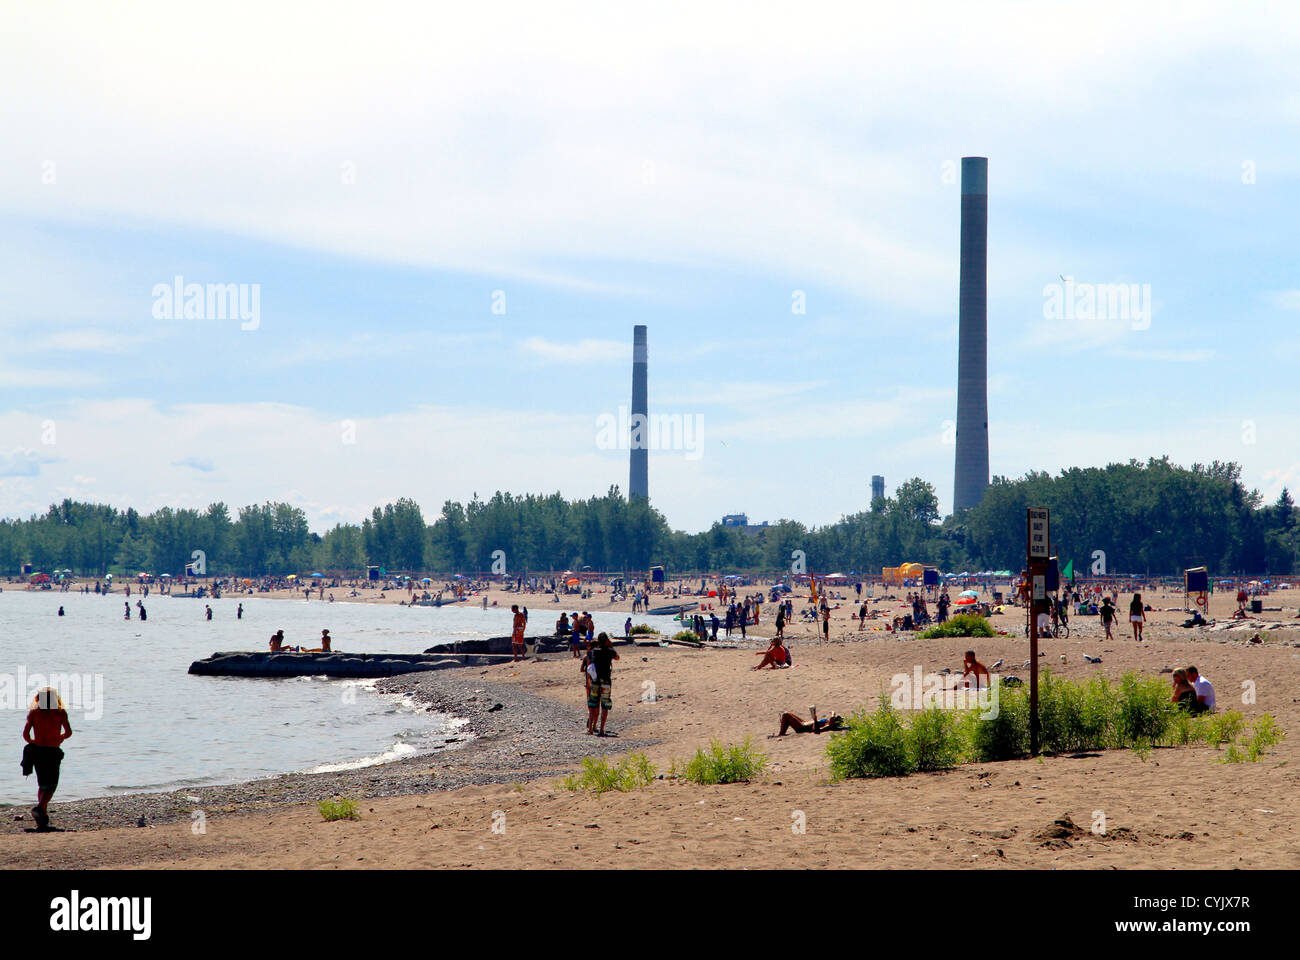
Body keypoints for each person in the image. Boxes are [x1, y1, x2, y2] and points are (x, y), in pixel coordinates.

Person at [22, 687, 72, 830]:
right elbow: (68, 732)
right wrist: (60, 737)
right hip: (52, 752)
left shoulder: (33, 713)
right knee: (52, 784)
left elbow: (26, 735)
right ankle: (39, 808)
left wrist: (34, 742)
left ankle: (42, 817)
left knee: (43, 784)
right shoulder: (60, 713)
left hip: (38, 752)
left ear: (38, 698)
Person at [586, 632, 619, 736]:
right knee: (605, 705)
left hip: (595, 681)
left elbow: (589, 663)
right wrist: (610, 645)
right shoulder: (610, 651)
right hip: (606, 681)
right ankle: (601, 729)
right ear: (606, 641)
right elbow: (617, 657)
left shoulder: (593, 651)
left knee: (592, 705)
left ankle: (590, 728)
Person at [775, 709, 845, 736]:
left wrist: (815, 720)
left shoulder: (828, 726)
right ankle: (782, 732)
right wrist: (833, 713)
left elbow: (815, 730)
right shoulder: (828, 722)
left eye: (834, 719)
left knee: (786, 714)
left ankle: (781, 733)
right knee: (788, 714)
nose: (832, 718)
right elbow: (832, 717)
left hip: (802, 727)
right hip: (804, 723)